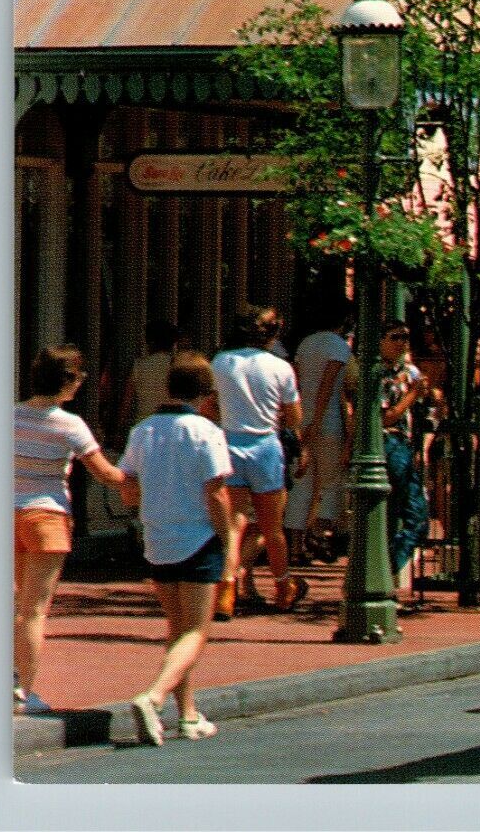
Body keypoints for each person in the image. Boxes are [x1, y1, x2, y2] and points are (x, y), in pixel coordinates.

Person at [118, 352, 233, 746]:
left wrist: (149, 503)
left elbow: (127, 485)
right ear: (205, 394)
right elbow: (216, 494)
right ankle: (154, 696)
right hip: (197, 538)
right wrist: (229, 542)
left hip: (158, 539)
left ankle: (187, 715)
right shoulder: (205, 431)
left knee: (178, 630)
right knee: (196, 631)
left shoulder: (143, 430)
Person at [14, 346, 128, 715]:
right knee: (35, 610)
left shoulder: (10, 416)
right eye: (78, 378)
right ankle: (22, 692)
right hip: (47, 518)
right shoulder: (69, 424)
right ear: (65, 381)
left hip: (6, 515)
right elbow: (106, 474)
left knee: (16, 607)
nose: (80, 384)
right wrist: (140, 478)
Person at [212, 306, 305, 617]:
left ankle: (226, 588)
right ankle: (282, 586)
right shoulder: (280, 367)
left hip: (229, 444)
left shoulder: (221, 362)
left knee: (234, 524)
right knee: (272, 526)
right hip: (265, 445)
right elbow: (294, 418)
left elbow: (210, 407)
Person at [290, 297, 353, 566]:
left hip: (302, 417)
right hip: (328, 422)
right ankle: (318, 533)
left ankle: (295, 545)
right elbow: (330, 384)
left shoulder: (306, 344)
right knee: (331, 480)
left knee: (302, 483)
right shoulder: (339, 346)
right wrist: (317, 418)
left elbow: (298, 379)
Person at [376, 321, 431, 582]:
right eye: (395, 337)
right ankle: (386, 571)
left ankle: (389, 567)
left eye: (406, 337)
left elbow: (420, 411)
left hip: (406, 444)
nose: (401, 342)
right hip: (388, 442)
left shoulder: (410, 371)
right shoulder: (377, 373)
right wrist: (413, 395)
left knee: (413, 515)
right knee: (412, 513)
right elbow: (387, 418)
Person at [121, 320, 183, 440]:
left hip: (144, 428)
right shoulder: (177, 366)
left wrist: (120, 430)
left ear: (150, 342)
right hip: (171, 428)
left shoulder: (139, 365)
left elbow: (126, 402)